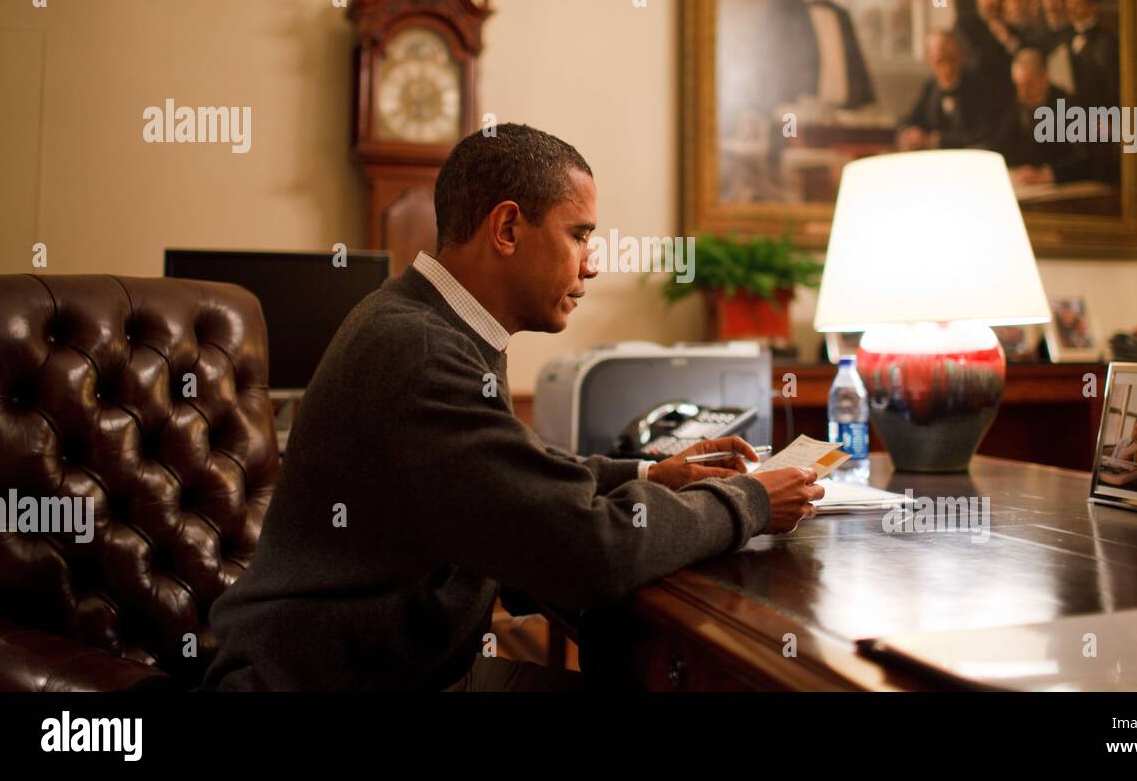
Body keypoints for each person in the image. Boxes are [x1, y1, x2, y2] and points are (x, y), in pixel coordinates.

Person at [203, 124, 823, 691]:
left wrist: (644, 474)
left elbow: (508, 477)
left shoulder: (429, 321)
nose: (593, 264)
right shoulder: (420, 351)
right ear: (506, 229)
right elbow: (589, 552)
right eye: (579, 234)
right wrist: (753, 500)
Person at [757, 0, 877, 117]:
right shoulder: (782, 9)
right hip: (797, 115)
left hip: (842, 115)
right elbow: (767, 63)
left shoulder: (842, 15)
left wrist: (869, 104)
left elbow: (857, 65)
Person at [981, 48, 1095, 186]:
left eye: (1029, 84)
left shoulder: (1070, 107)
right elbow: (1001, 143)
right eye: (1019, 85)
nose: (1023, 92)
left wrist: (1048, 174)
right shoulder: (1018, 104)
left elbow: (1086, 158)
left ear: (1044, 77)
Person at [895, 30, 1000, 152]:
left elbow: (983, 135)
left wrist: (936, 141)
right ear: (928, 60)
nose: (947, 68)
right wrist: (908, 133)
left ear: (960, 55)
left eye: (952, 59)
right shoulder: (930, 87)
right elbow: (909, 119)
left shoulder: (980, 88)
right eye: (940, 61)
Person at [952, 0, 1020, 110]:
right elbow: (977, 64)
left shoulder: (1012, 32)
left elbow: (1022, 66)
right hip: (974, 104)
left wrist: (1008, 41)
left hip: (1006, 105)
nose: (995, 0)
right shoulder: (964, 27)